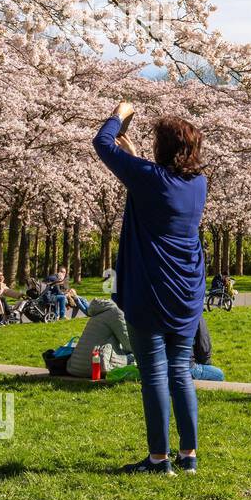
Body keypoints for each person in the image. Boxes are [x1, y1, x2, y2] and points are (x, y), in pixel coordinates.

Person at [94, 100, 207, 476]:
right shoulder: (197, 184)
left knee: (155, 375)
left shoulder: (147, 177)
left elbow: (102, 143)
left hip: (150, 289)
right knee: (180, 372)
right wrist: (138, 159)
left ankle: (159, 460)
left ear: (163, 149)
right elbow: (157, 187)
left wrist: (119, 114)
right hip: (186, 291)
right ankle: (188, 456)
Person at [67, 298, 136, 379]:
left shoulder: (97, 313)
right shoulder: (116, 312)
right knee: (135, 356)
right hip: (96, 367)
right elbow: (128, 344)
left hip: (75, 367)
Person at [190, 314, 226, 381]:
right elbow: (204, 349)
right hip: (186, 367)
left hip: (166, 366)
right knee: (219, 375)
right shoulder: (195, 313)